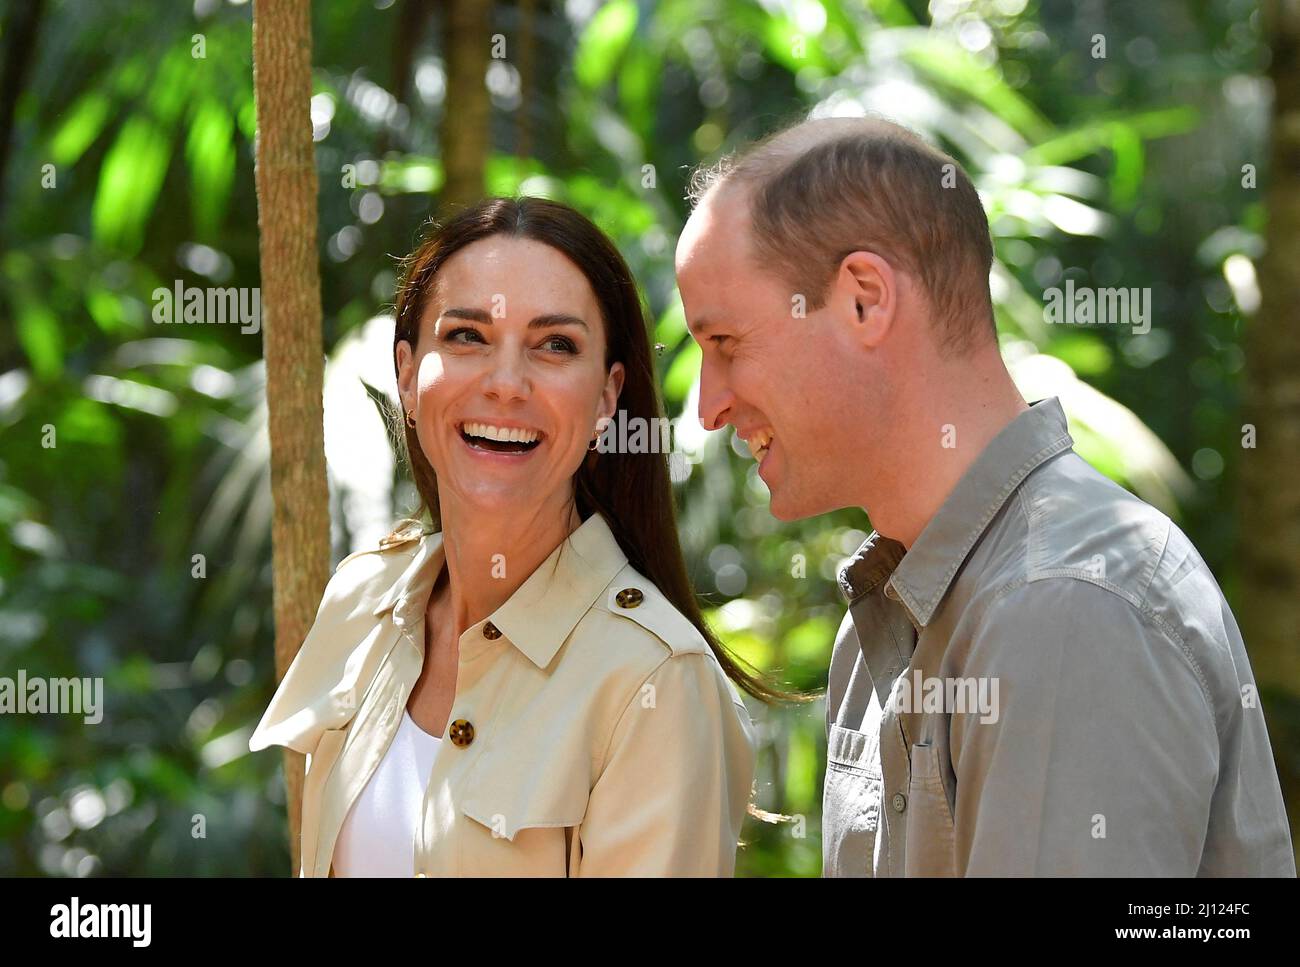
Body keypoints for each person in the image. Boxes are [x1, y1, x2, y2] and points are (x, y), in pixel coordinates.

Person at [674, 115, 1296, 876]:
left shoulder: (1064, 607)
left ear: (865, 300)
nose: (708, 406)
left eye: (725, 344)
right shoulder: (883, 623)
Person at [250, 197, 775, 877]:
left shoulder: (655, 682)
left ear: (608, 399)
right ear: (408, 374)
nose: (505, 384)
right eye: (467, 335)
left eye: (555, 345)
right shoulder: (364, 600)